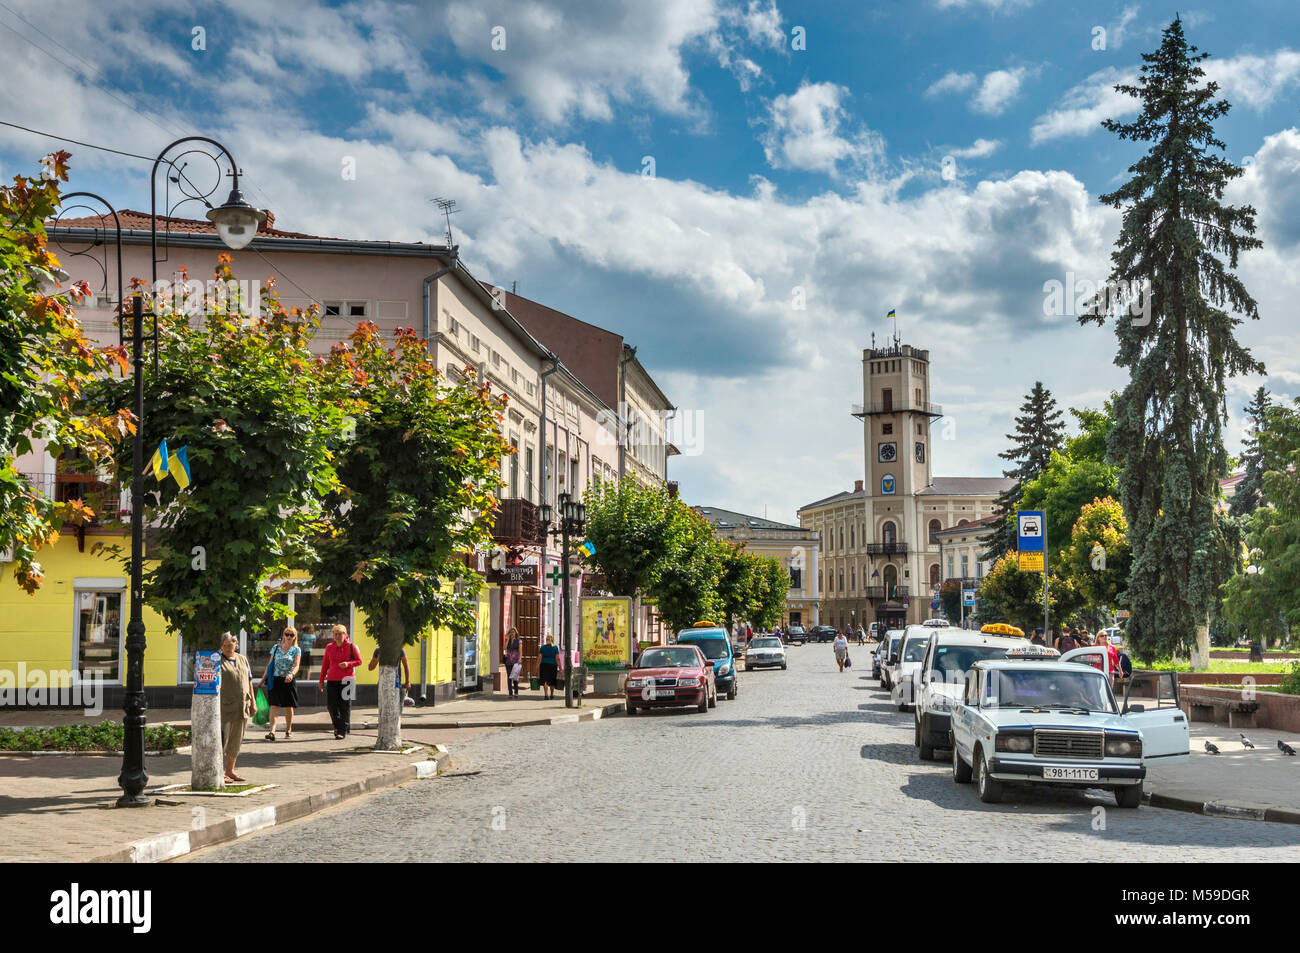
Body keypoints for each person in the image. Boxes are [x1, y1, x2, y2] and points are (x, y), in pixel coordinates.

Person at [218, 633, 256, 782]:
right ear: (221, 646)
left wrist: (253, 701)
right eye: (225, 645)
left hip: (242, 705)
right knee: (223, 739)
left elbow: (249, 681)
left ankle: (230, 770)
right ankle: (220, 772)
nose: (228, 648)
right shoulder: (217, 660)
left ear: (236, 645)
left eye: (230, 645)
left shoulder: (242, 659)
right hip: (225, 706)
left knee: (236, 739)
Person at [318, 623, 362, 740]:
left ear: (345, 635)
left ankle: (341, 730)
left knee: (344, 706)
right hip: (332, 679)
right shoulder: (329, 647)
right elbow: (325, 665)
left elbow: (359, 661)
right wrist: (321, 680)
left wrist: (348, 664)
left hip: (347, 680)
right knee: (331, 706)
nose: (338, 636)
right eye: (335, 634)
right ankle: (338, 726)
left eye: (340, 634)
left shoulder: (351, 646)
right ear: (333, 635)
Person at [259, 626, 302, 741]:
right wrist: (262, 680)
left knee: (288, 706)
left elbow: (297, 665)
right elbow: (269, 666)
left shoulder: (296, 649)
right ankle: (272, 731)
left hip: (288, 680)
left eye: (291, 635)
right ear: (283, 635)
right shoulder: (276, 647)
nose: (288, 637)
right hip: (275, 679)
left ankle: (288, 730)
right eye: (286, 634)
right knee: (274, 705)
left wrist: (291, 674)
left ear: (295, 637)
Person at [538, 635, 561, 700]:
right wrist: (560, 668)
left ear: (546, 640)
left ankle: (546, 695)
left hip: (544, 665)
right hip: (553, 665)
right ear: (552, 640)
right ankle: (552, 695)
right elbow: (558, 659)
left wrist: (537, 666)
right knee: (552, 680)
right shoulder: (555, 647)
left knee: (545, 680)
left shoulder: (543, 647)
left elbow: (539, 658)